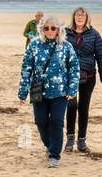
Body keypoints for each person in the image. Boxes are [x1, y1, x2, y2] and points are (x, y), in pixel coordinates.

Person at [18, 14, 80, 167]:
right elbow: (26, 69)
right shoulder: (34, 44)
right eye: (46, 28)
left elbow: (74, 69)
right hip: (39, 90)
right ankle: (49, 145)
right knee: (41, 122)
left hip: (60, 92)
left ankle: (54, 155)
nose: (50, 31)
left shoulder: (66, 46)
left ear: (59, 29)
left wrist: (72, 89)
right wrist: (22, 92)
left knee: (57, 122)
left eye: (53, 28)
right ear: (42, 29)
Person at [64, 6, 102, 153]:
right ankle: (70, 139)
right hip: (69, 76)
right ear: (74, 17)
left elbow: (101, 57)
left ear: (86, 18)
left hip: (88, 76)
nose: (80, 17)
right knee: (71, 106)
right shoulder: (65, 33)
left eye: (83, 15)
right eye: (77, 15)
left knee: (84, 108)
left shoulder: (94, 34)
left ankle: (81, 141)